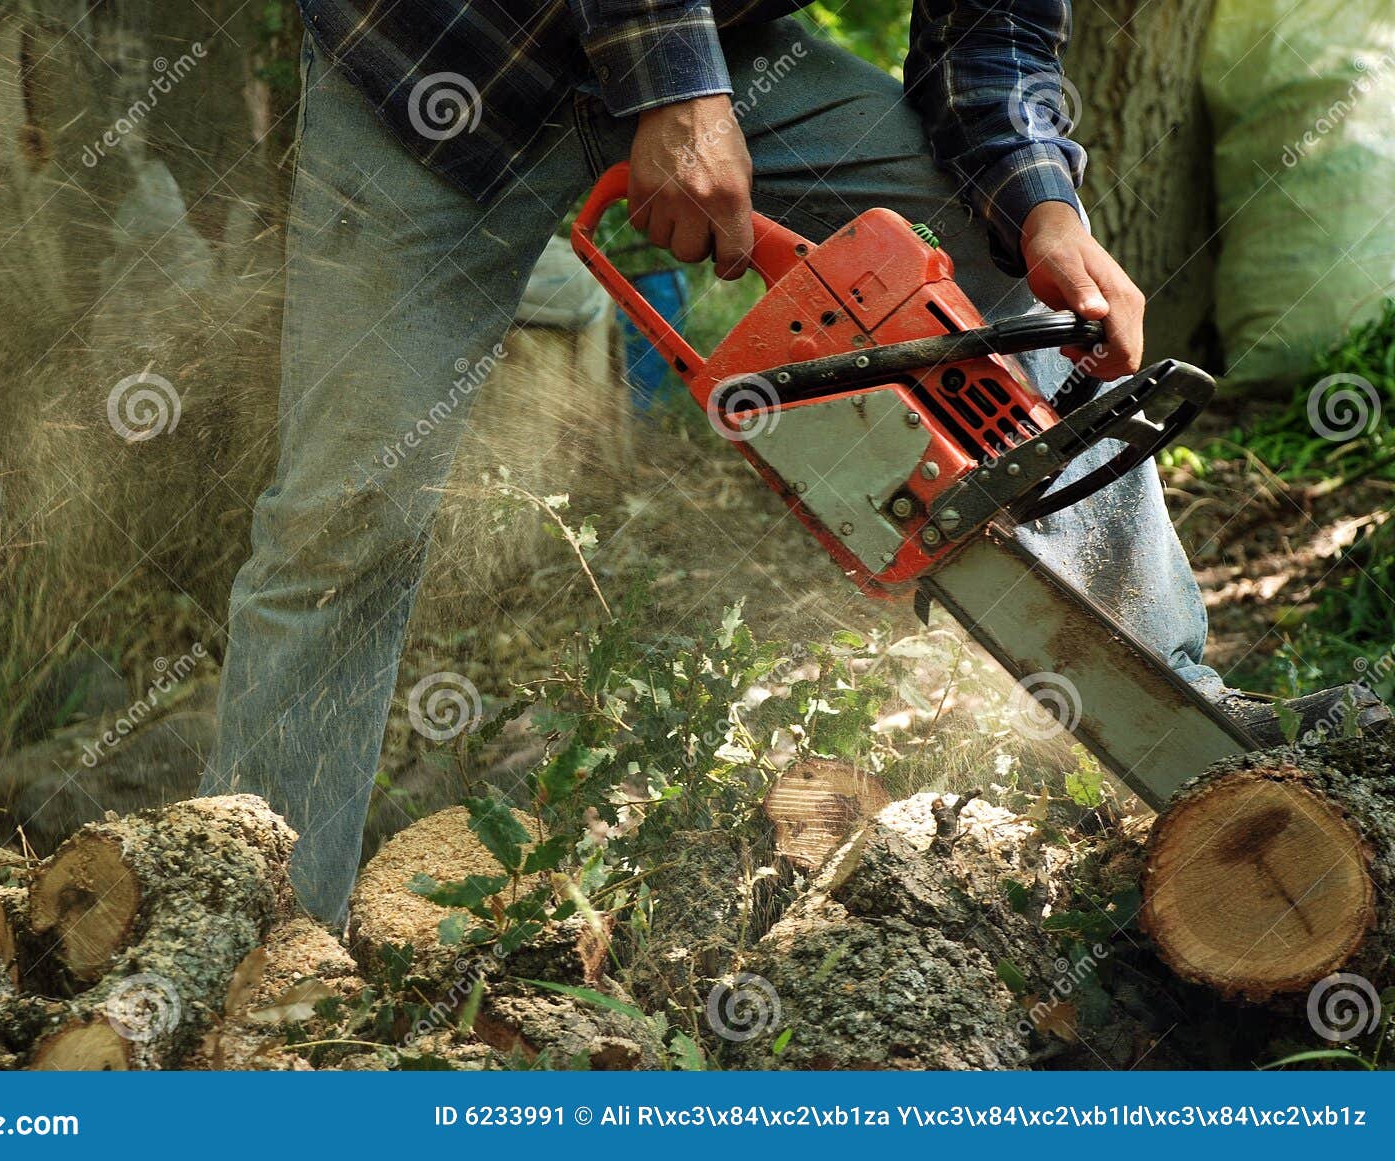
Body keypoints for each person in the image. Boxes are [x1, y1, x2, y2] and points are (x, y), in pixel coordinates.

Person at [200, 0, 1378, 921]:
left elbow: (995, 31)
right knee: (345, 511)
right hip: (448, 63)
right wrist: (670, 86)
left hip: (726, 57)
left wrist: (1042, 207)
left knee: (999, 266)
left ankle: (1179, 715)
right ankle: (258, 921)